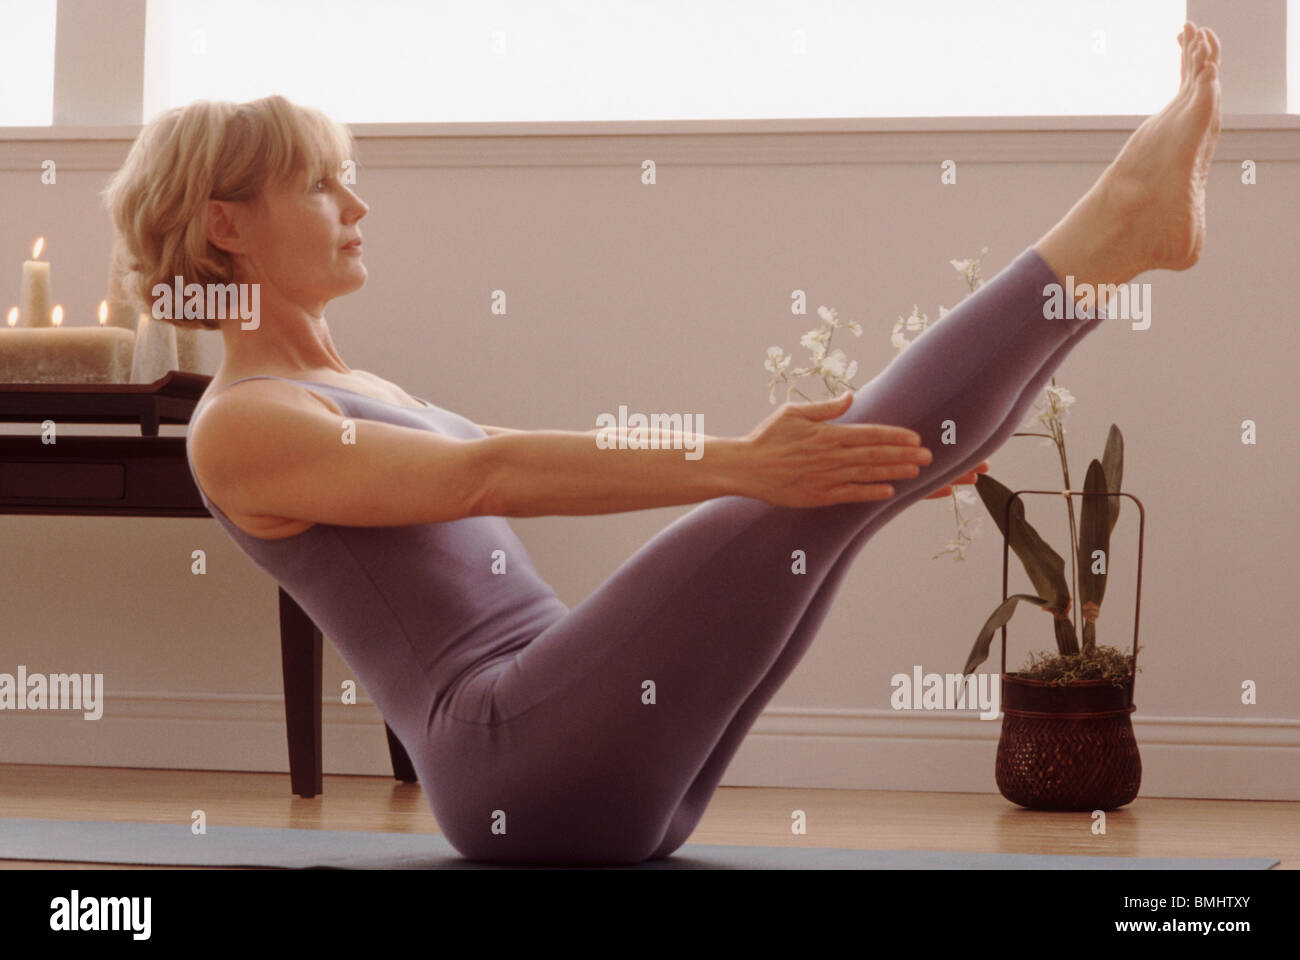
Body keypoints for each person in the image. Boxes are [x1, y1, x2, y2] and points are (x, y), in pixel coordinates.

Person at [102, 23, 1221, 865]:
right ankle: (1117, 225)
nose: (355, 204)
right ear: (225, 224)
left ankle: (1116, 252)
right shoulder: (241, 423)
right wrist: (739, 462)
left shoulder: (341, 384)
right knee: (833, 468)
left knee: (859, 473)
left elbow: (487, 446)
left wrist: (841, 487)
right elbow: (481, 473)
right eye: (317, 182)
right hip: (516, 761)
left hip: (579, 746)